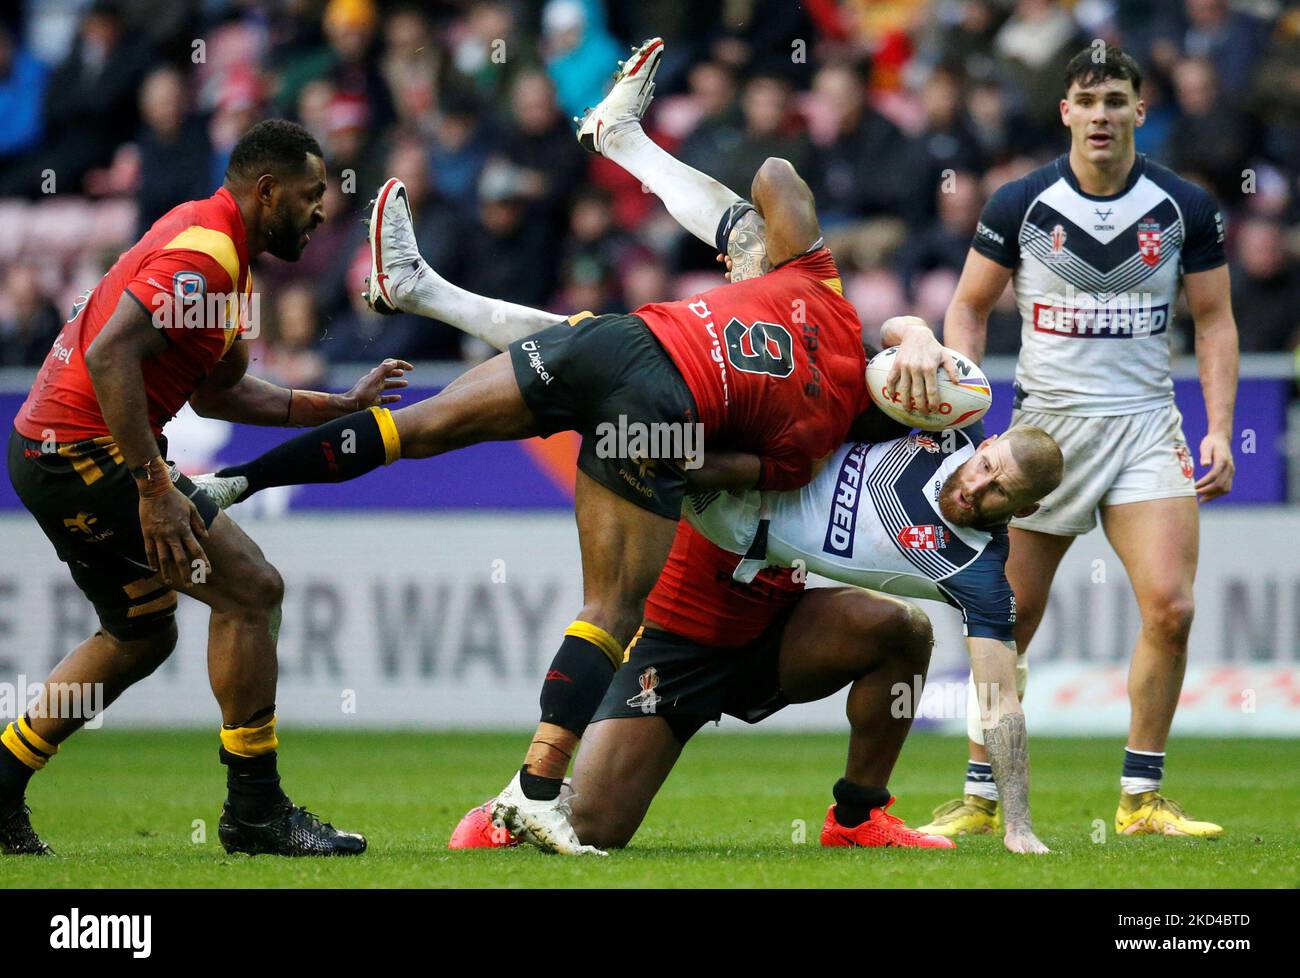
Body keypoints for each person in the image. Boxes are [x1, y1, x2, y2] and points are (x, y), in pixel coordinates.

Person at [195, 39, 951, 855]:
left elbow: (774, 177)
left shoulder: (815, 299)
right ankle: (522, 799)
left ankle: (857, 816)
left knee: (900, 632)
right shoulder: (812, 430)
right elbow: (704, 460)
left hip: (755, 587)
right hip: (683, 626)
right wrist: (654, 441)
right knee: (601, 805)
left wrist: (896, 332)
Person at [2, 119, 409, 856]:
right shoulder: (208, 255)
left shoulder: (220, 254)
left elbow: (222, 394)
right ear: (267, 190)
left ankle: (0, 780)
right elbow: (110, 353)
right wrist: (154, 487)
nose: (323, 210)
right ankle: (255, 810)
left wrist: (339, 405)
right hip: (83, 454)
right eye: (312, 195)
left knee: (141, 633)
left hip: (50, 451)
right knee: (250, 588)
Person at [439, 402, 1063, 854]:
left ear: (1023, 509)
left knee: (902, 630)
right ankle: (510, 809)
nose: (976, 485)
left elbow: (998, 697)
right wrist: (918, 334)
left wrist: (1019, 824)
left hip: (774, 622)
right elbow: (896, 349)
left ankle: (856, 817)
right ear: (988, 443)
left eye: (997, 490)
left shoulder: (979, 565)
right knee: (599, 827)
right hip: (679, 639)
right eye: (986, 465)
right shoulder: (928, 420)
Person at [932, 46, 1238, 839]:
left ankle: (1140, 799)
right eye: (1087, 100)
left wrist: (1218, 429)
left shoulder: (1185, 206)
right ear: (1065, 112)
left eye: (1116, 100)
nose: (1101, 114)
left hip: (1145, 426)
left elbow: (1214, 320)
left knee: (1170, 609)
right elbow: (967, 307)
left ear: (1140, 109)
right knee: (1010, 617)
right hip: (1046, 433)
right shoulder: (1020, 203)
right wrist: (970, 417)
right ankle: (978, 795)